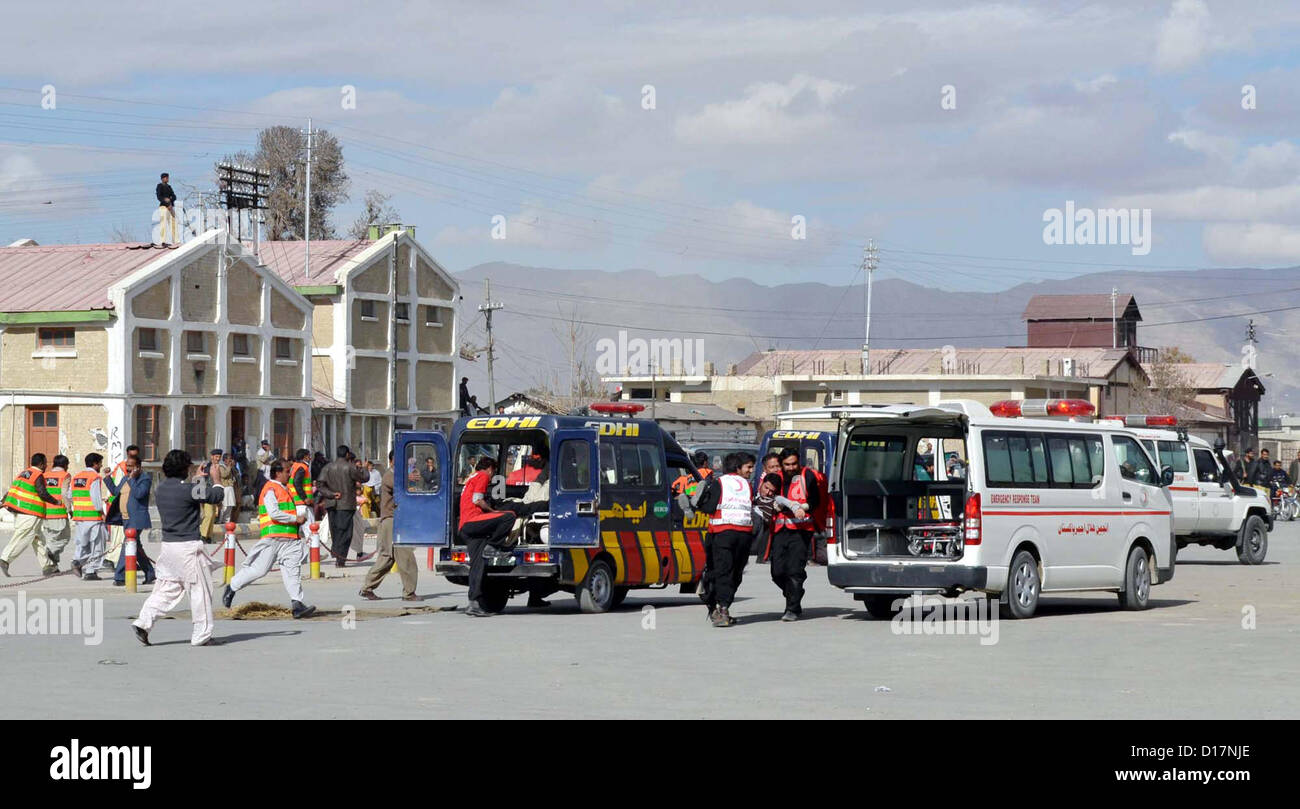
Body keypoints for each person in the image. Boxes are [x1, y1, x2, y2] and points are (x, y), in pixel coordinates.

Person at [131, 450, 227, 646]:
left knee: (167, 589)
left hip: (169, 547)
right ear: (184, 468)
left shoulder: (161, 488)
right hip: (188, 547)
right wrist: (216, 479)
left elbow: (192, 492)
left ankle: (143, 621)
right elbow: (215, 495)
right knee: (201, 591)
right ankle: (202, 635)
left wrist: (198, 479)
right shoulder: (188, 489)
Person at [222, 460, 316, 619]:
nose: (290, 474)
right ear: (277, 473)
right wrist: (295, 519)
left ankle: (297, 604)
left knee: (293, 571)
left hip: (290, 539)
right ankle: (232, 586)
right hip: (273, 538)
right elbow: (273, 513)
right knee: (260, 570)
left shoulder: (286, 489)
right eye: (287, 471)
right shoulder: (270, 489)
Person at [694, 453, 756, 627]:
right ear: (738, 469)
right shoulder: (747, 485)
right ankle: (723, 605)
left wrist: (697, 504)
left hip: (722, 533)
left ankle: (721, 609)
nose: (750, 471)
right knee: (735, 573)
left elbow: (710, 507)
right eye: (748, 467)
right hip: (744, 534)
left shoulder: (718, 483)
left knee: (722, 571)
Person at [359, 450, 419, 602]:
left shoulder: (397, 475)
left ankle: (367, 587)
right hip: (391, 521)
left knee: (387, 558)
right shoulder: (389, 476)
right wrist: (409, 478)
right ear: (392, 461)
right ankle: (409, 593)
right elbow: (399, 486)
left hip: (395, 521)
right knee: (405, 557)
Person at [459, 457, 516, 617]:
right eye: (493, 472)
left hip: (464, 527)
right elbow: (477, 499)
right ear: (490, 468)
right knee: (508, 516)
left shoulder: (471, 477)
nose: (492, 477)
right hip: (473, 521)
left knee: (477, 564)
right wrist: (492, 511)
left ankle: (473, 603)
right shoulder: (483, 476)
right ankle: (493, 546)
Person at [770, 448, 820, 622]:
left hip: (801, 530)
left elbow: (815, 501)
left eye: (794, 464)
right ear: (781, 464)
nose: (791, 467)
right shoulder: (777, 477)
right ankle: (794, 593)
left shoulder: (808, 476)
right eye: (787, 464)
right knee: (776, 572)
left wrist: (800, 508)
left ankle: (792, 608)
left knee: (794, 570)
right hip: (780, 530)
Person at [0, 453, 60, 577]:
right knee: (22, 537)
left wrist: (3, 501)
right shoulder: (38, 475)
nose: (46, 466)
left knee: (38, 540)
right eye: (45, 463)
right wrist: (56, 501)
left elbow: (12, 489)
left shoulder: (23, 474)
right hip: (30, 512)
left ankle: (47, 566)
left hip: (21, 511)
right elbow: (42, 493)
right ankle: (5, 559)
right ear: (41, 464)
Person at [314, 445, 367, 567]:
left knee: (336, 530)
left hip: (331, 503)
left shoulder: (328, 467)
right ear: (347, 454)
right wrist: (363, 467)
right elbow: (364, 477)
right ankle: (340, 556)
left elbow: (319, 484)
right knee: (346, 532)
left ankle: (337, 554)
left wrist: (331, 494)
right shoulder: (350, 467)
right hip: (346, 503)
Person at [113, 456, 156, 586]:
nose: (128, 468)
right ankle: (150, 573)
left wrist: (132, 480)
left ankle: (120, 576)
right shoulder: (126, 478)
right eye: (127, 466)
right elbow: (116, 491)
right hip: (125, 517)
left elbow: (139, 494)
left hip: (136, 518)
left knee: (128, 544)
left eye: (131, 466)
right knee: (135, 547)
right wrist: (107, 478)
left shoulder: (144, 479)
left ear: (138, 467)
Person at [69, 453, 109, 580]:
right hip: (93, 517)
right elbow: (96, 498)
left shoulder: (76, 477)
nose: (101, 465)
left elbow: (70, 495)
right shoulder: (94, 477)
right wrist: (102, 513)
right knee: (98, 544)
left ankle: (77, 561)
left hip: (80, 516)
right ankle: (91, 571)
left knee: (83, 543)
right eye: (100, 463)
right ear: (95, 464)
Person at [39, 455, 74, 574]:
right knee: (64, 538)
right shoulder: (65, 475)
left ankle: (52, 566)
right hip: (58, 511)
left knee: (50, 538)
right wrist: (69, 509)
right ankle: (49, 553)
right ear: (65, 465)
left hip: (45, 512)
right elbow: (65, 493)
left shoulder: (45, 475)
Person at [198, 448, 224, 541]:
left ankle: (208, 536)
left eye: (219, 457)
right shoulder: (207, 467)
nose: (218, 458)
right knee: (208, 514)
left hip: (215, 494)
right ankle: (202, 535)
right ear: (212, 457)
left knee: (213, 515)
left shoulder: (219, 467)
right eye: (216, 456)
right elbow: (201, 480)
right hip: (207, 493)